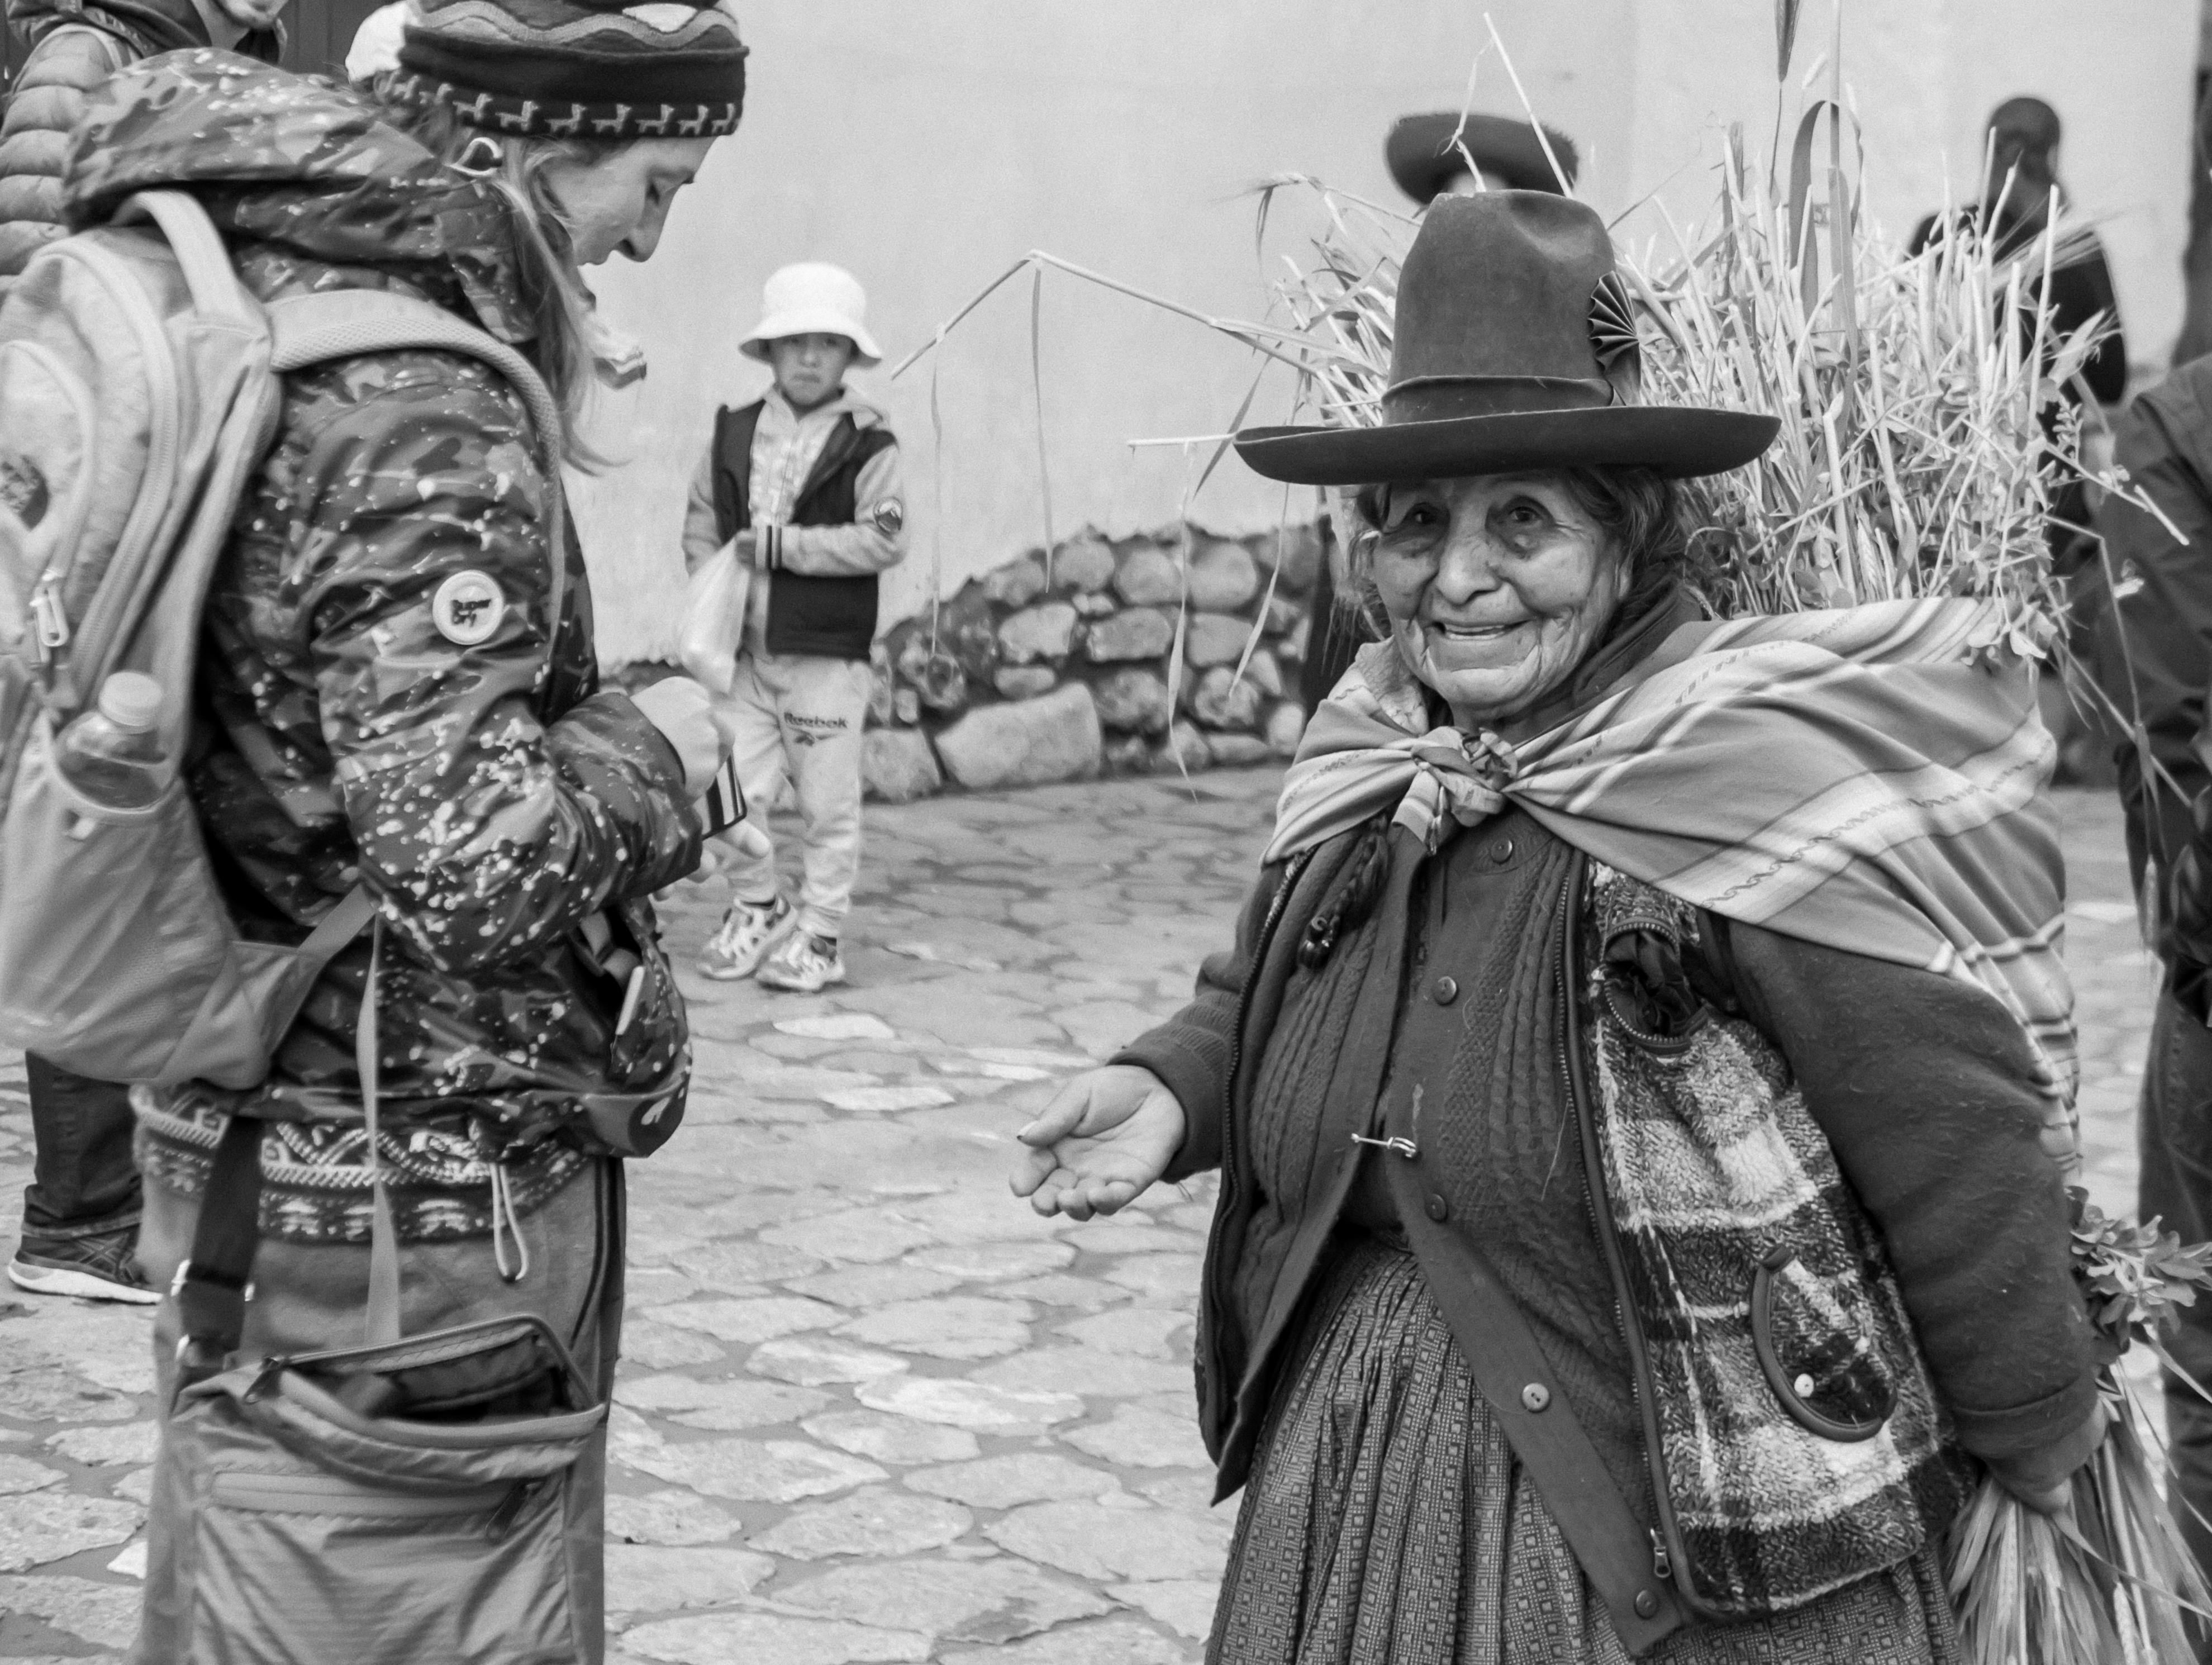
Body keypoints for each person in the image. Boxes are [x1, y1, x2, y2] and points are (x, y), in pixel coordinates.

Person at [1014, 192, 2102, 1662]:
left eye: (1515, 520)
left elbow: (1951, 1137)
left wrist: (2033, 1452)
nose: (1452, 576)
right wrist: (1173, 1084)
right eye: (1414, 526)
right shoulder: (1376, 755)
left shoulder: (1736, 785)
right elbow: (1269, 979)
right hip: (1354, 1478)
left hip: (1676, 1524)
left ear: (1624, 529)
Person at [60, 2, 745, 1656]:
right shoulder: (416, 392)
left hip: (253, 1150)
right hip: (408, 1216)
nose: (649, 238)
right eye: (651, 184)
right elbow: (465, 854)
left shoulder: (269, 300)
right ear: (524, 143)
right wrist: (665, 742)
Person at [0, 0, 288, 1305]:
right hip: (89, 514)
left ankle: (99, 1198)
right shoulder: (87, 56)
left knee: (102, 832)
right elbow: (47, 316)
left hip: (137, 502)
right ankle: (80, 1212)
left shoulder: (196, 51)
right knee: (87, 827)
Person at [1299, 111, 1586, 718]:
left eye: (1524, 515)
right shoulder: (1372, 331)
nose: (1459, 578)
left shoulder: (1570, 331)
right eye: (1453, 209)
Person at [686, 261, 906, 993]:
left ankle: (820, 930)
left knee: (825, 804)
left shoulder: (870, 445)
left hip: (824, 659)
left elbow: (885, 539)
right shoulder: (733, 431)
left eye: (828, 344)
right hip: (743, 657)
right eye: (793, 343)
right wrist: (709, 588)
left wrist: (788, 549)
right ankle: (758, 904)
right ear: (768, 353)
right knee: (727, 796)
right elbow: (700, 520)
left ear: (850, 357)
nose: (809, 358)